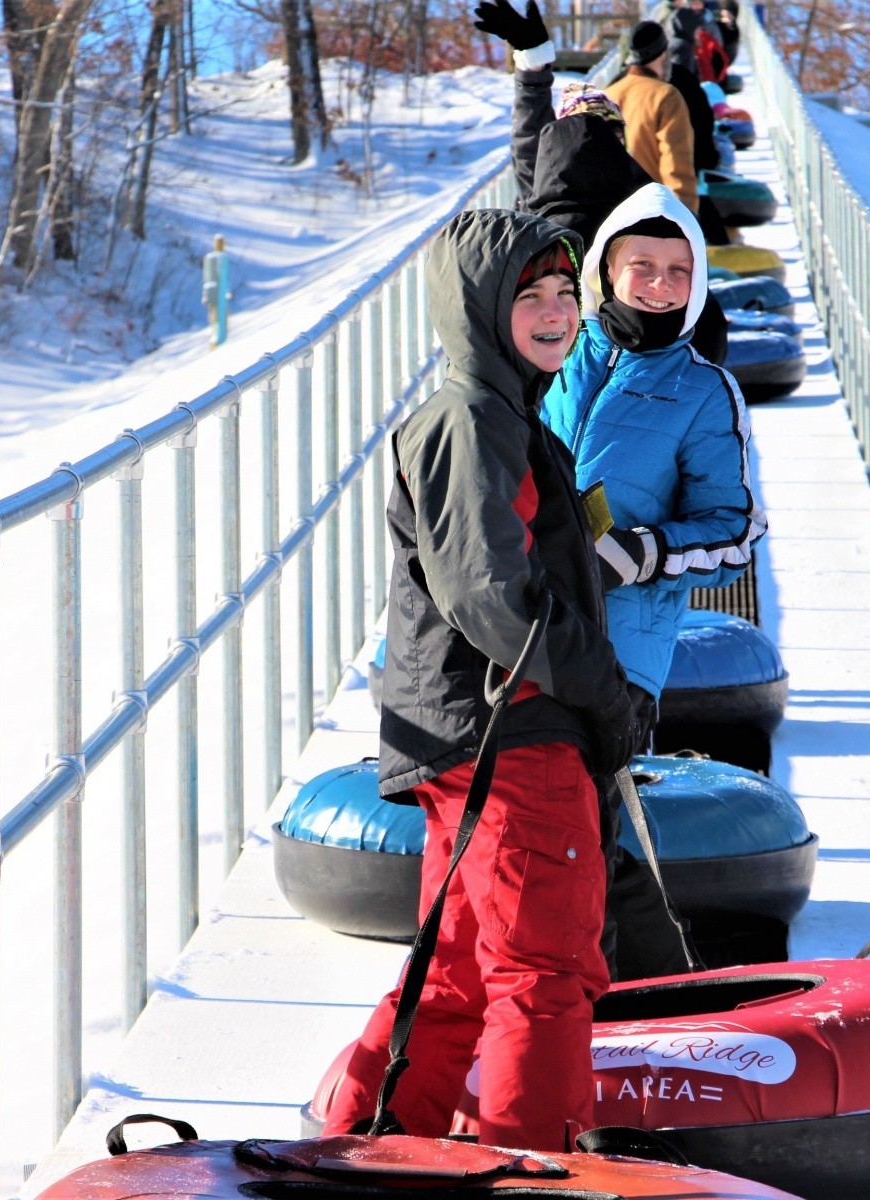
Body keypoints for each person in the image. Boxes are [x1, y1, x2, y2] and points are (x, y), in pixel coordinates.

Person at [320, 210, 641, 1152]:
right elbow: (493, 595)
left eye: (564, 295)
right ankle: (532, 1166)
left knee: (455, 974)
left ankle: (366, 1150)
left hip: (477, 736)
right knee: (545, 975)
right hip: (513, 732)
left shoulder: (503, 416)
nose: (553, 314)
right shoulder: (471, 421)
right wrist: (602, 690)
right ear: (477, 312)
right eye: (528, 298)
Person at [541, 184, 767, 978]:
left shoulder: (704, 389)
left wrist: (645, 552)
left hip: (617, 651)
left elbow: (737, 531)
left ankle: (619, 1000)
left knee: (580, 828)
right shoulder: (552, 355)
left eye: (678, 269)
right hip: (517, 631)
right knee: (553, 830)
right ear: (606, 268)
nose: (661, 285)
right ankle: (632, 987)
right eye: (643, 266)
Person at [473, 0, 729, 362]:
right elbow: (676, 163)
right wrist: (685, 226)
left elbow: (528, 139)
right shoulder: (637, 208)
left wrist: (533, 64)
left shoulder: (540, 198)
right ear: (619, 140)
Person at [605, 20, 699, 213]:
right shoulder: (665, 96)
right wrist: (686, 217)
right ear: (663, 54)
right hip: (652, 214)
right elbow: (676, 166)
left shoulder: (607, 94)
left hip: (609, 215)